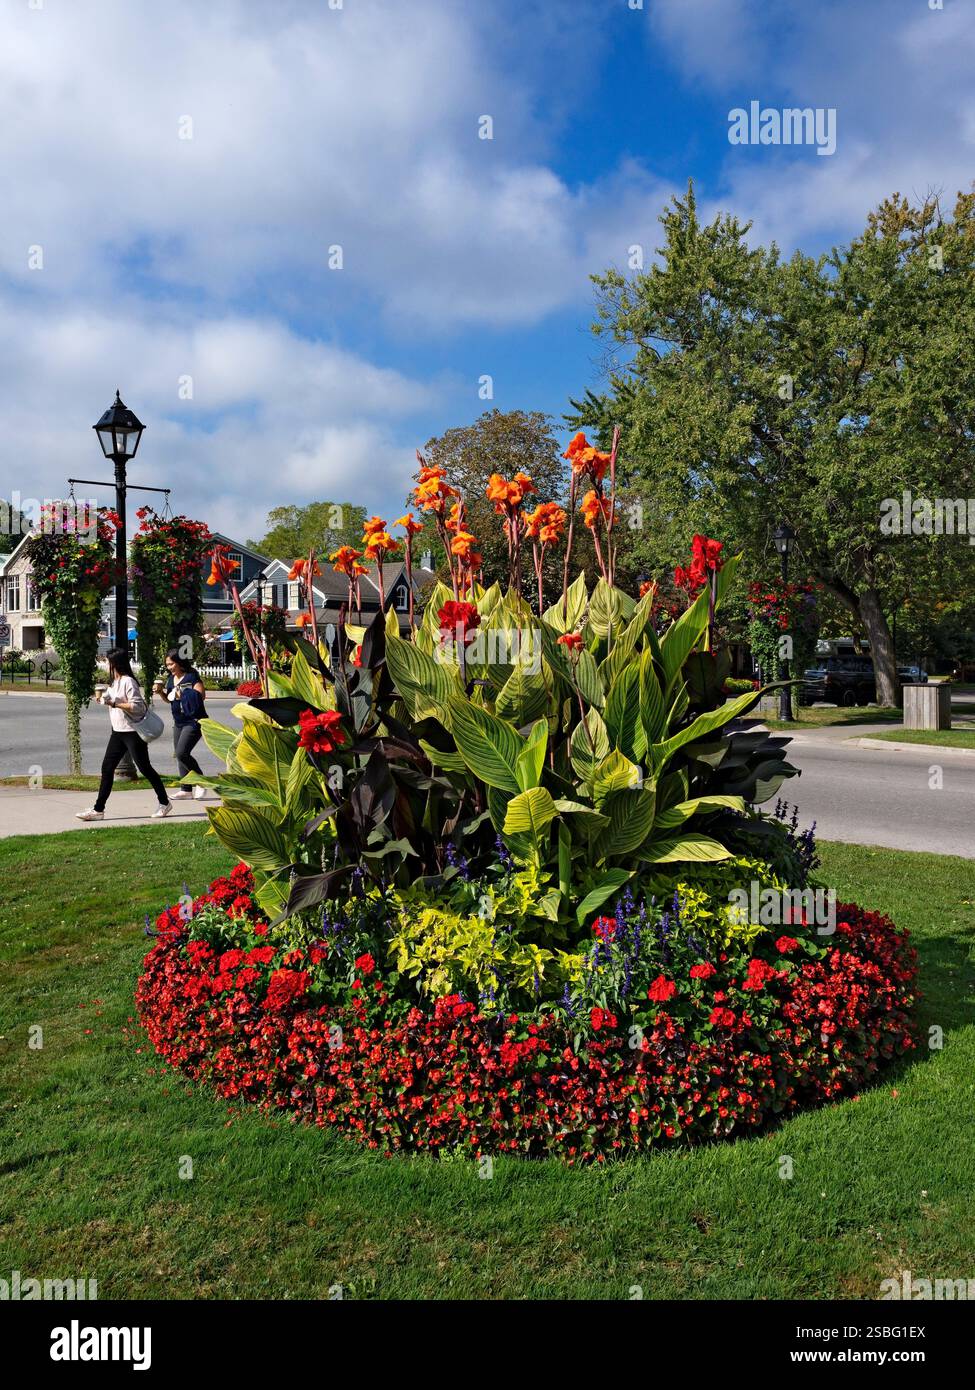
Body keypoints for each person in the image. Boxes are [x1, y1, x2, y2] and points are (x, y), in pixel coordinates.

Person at [76, 647, 172, 821]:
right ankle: (98, 810)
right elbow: (112, 700)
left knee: (145, 768)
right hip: (117, 732)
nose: (105, 664)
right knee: (107, 768)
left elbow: (136, 706)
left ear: (115, 663)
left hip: (132, 732)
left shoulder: (128, 681)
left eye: (107, 661)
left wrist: (114, 704)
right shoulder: (114, 682)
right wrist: (103, 699)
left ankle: (164, 803)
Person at [155, 649, 209, 799]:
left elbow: (201, 696)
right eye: (167, 664)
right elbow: (170, 699)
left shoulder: (191, 677)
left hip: (193, 721)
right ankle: (186, 789)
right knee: (179, 756)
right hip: (178, 722)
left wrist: (183, 694)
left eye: (171, 664)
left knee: (181, 753)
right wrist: (161, 693)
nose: (169, 667)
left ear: (179, 662)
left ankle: (201, 781)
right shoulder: (171, 679)